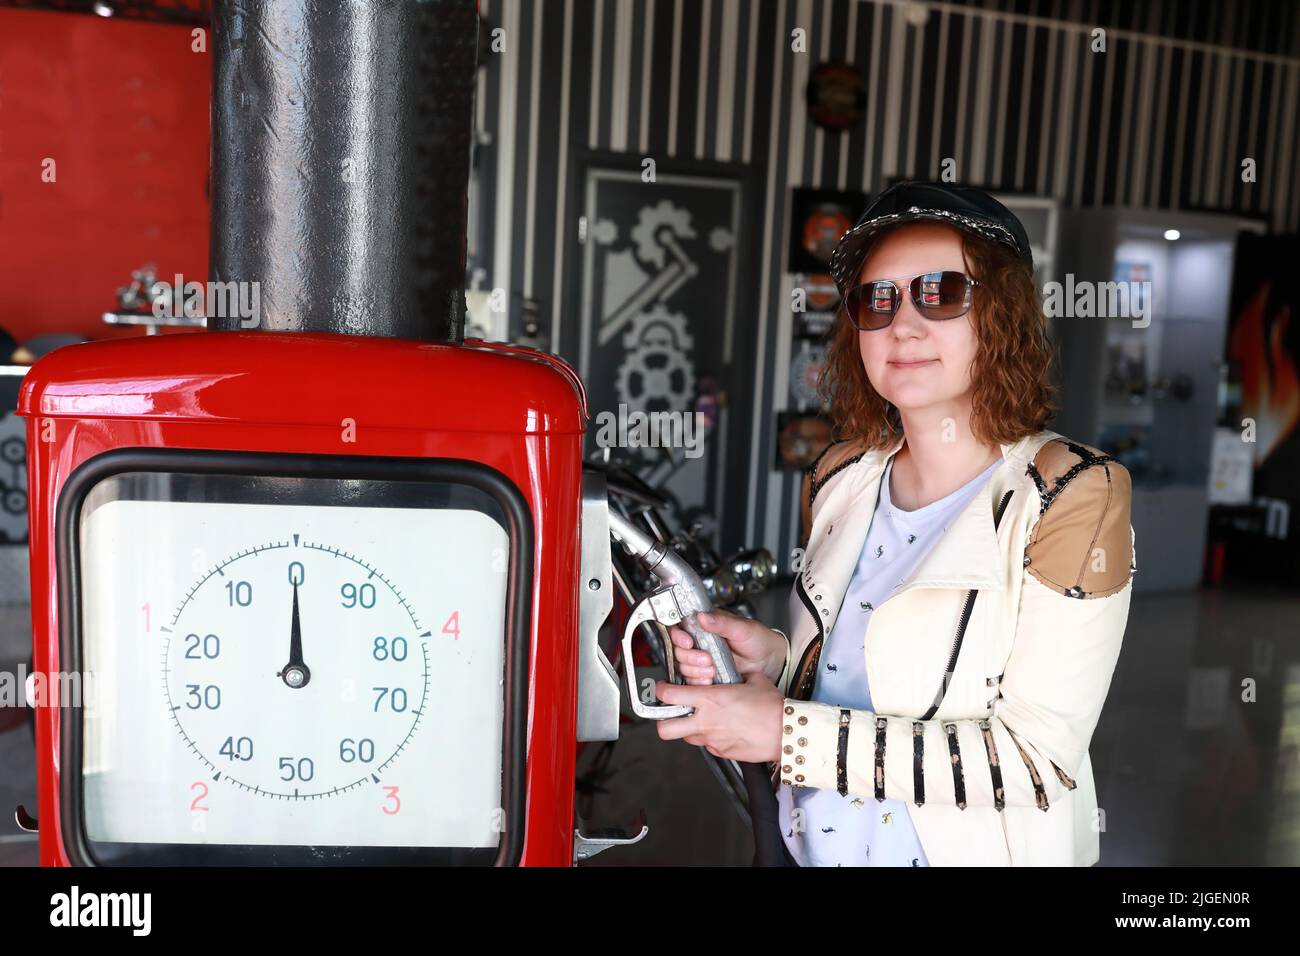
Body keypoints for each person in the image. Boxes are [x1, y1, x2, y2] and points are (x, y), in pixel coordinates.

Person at [655, 180, 1135, 866]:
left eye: (940, 293)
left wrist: (784, 734)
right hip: (801, 848)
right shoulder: (841, 476)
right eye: (877, 301)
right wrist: (772, 660)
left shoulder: (1069, 493)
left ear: (1002, 315)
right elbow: (858, 674)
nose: (902, 325)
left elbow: (1033, 761)